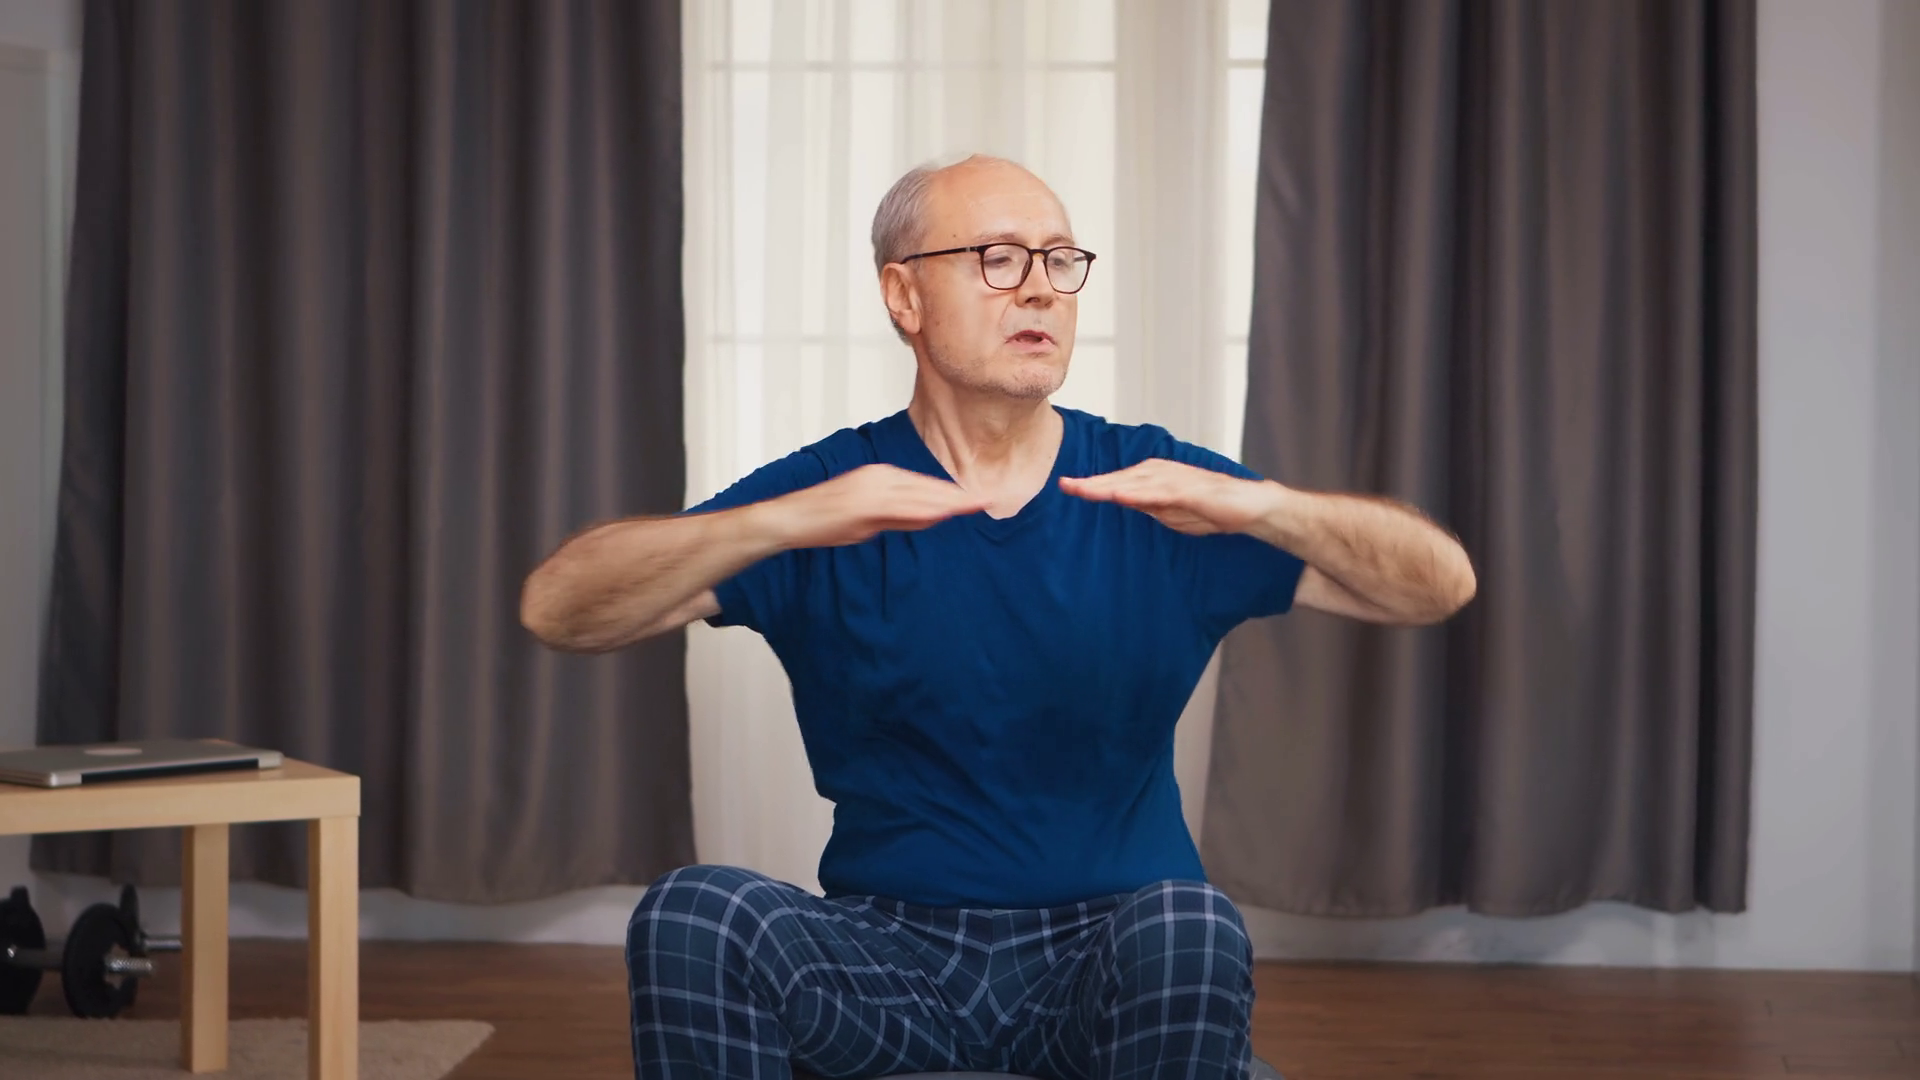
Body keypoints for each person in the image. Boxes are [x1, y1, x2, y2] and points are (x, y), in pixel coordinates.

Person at [520, 154, 1476, 1080]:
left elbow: (1437, 585)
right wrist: (779, 522)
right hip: (884, 955)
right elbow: (562, 609)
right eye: (998, 258)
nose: (1042, 290)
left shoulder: (1153, 486)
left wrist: (1269, 505)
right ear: (904, 297)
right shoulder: (830, 492)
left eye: (1061, 260)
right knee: (694, 912)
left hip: (1108, 954)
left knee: (1191, 922)